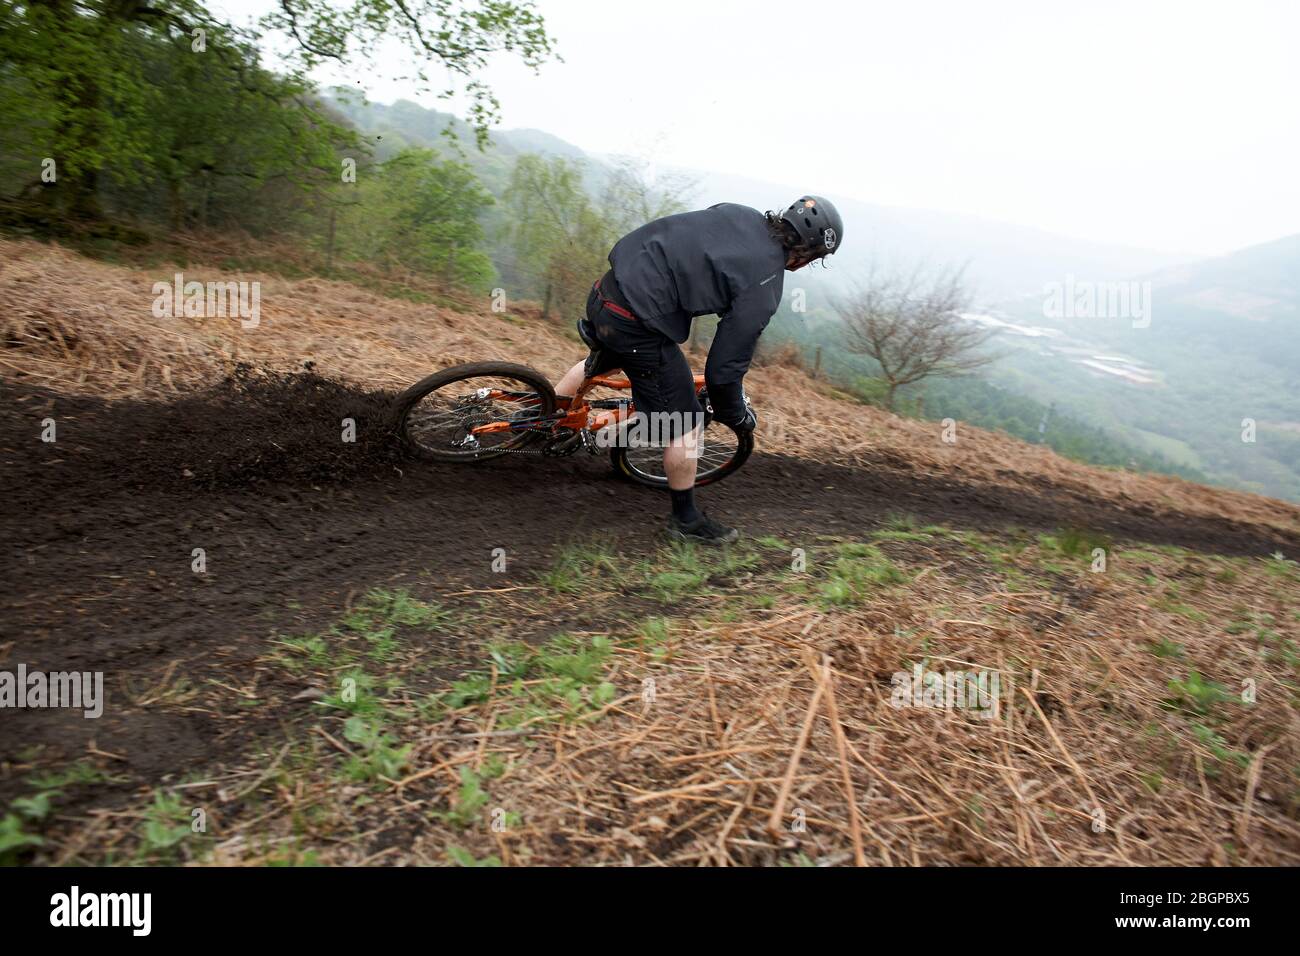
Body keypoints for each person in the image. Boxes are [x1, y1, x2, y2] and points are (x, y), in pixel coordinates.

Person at [552, 195, 844, 544]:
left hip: (608, 290)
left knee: (606, 360)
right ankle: (686, 522)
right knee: (685, 423)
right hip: (636, 322)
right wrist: (734, 414)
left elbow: (697, 249)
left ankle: (547, 420)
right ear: (808, 254)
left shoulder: (739, 212)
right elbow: (724, 370)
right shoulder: (764, 286)